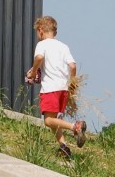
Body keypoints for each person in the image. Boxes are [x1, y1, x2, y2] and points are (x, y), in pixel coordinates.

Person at [25, 15, 87, 159]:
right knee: (54, 119)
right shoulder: (63, 46)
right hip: (63, 89)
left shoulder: (42, 45)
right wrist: (72, 84)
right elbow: (73, 66)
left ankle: (75, 126)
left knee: (48, 121)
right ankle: (64, 147)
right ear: (55, 32)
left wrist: (33, 72)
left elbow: (39, 58)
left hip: (50, 88)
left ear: (40, 30)